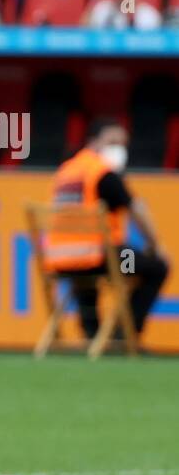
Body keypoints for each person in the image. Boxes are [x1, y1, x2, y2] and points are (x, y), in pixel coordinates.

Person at [44, 119, 170, 341]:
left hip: (61, 259)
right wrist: (154, 245)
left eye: (122, 143)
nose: (118, 148)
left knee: (90, 273)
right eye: (112, 141)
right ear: (93, 141)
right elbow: (137, 210)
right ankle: (125, 334)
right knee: (156, 266)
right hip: (98, 257)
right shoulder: (103, 174)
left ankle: (92, 333)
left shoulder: (67, 170)